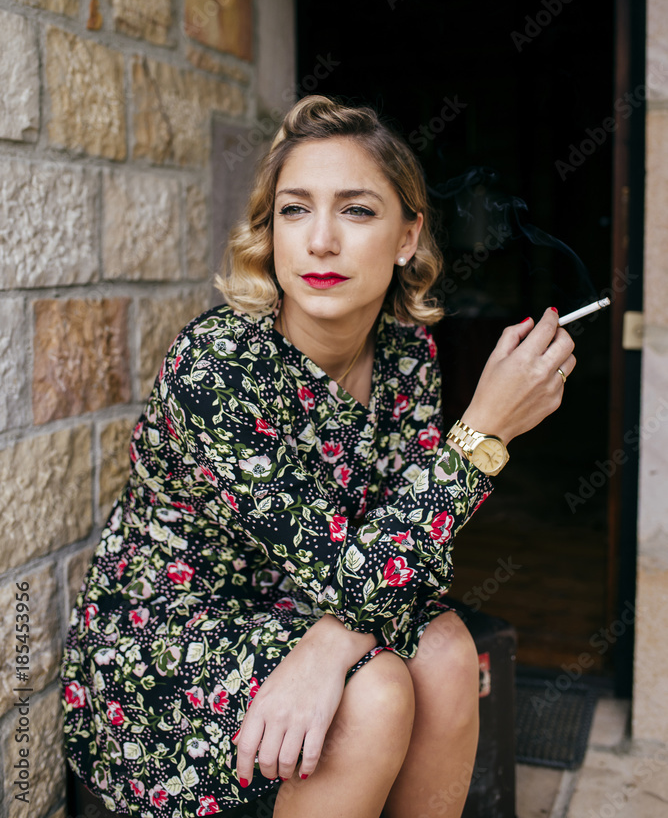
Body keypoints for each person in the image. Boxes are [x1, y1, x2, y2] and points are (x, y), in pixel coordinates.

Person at [59, 94, 576, 818]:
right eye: (295, 211)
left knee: (449, 650)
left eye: (358, 211)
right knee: (378, 692)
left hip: (314, 605)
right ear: (270, 234)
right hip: (165, 647)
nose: (321, 241)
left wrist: (329, 643)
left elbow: (413, 547)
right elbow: (373, 559)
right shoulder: (220, 367)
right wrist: (484, 432)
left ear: (407, 236)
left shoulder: (406, 354)